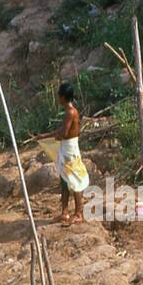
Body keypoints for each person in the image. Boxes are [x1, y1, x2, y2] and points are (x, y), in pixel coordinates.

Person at [48, 82, 89, 225]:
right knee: (64, 180)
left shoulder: (70, 113)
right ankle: (64, 212)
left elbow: (64, 133)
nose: (58, 98)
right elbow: (62, 131)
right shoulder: (69, 112)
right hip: (67, 149)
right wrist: (44, 136)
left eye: (59, 95)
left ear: (63, 97)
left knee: (75, 180)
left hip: (70, 150)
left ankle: (78, 213)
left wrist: (53, 137)